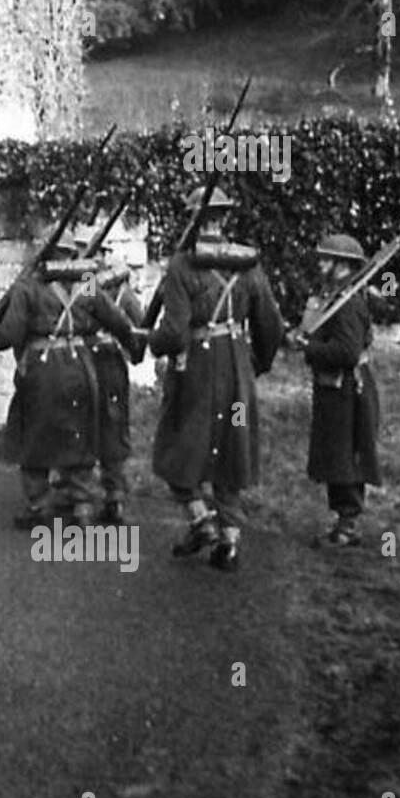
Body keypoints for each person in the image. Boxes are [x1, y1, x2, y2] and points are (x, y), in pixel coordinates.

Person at [147, 186, 283, 571]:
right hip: (237, 368)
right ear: (223, 220)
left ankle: (199, 519)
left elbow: (174, 332)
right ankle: (230, 542)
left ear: (193, 220)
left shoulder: (181, 266)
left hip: (197, 372)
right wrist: (254, 363)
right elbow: (270, 326)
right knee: (231, 446)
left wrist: (152, 343)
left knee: (176, 443)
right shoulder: (247, 263)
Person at [0, 231, 143, 529]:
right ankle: (82, 503)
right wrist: (134, 347)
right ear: (71, 254)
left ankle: (37, 504)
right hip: (82, 366)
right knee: (79, 430)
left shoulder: (29, 285)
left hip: (42, 369)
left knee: (31, 432)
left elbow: (6, 336)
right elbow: (117, 321)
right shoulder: (86, 282)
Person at [290, 233, 381, 547]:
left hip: (348, 390)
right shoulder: (336, 297)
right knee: (335, 455)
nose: (321, 264)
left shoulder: (349, 303)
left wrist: (309, 347)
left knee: (346, 458)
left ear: (342, 264)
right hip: (333, 388)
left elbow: (347, 352)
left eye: (327, 259)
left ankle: (347, 527)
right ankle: (343, 523)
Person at [71, 221, 145, 525]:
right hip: (111, 361)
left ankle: (84, 500)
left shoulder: (77, 282)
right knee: (112, 427)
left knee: (84, 427)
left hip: (85, 361)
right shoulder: (122, 287)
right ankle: (113, 497)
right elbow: (137, 325)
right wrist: (134, 349)